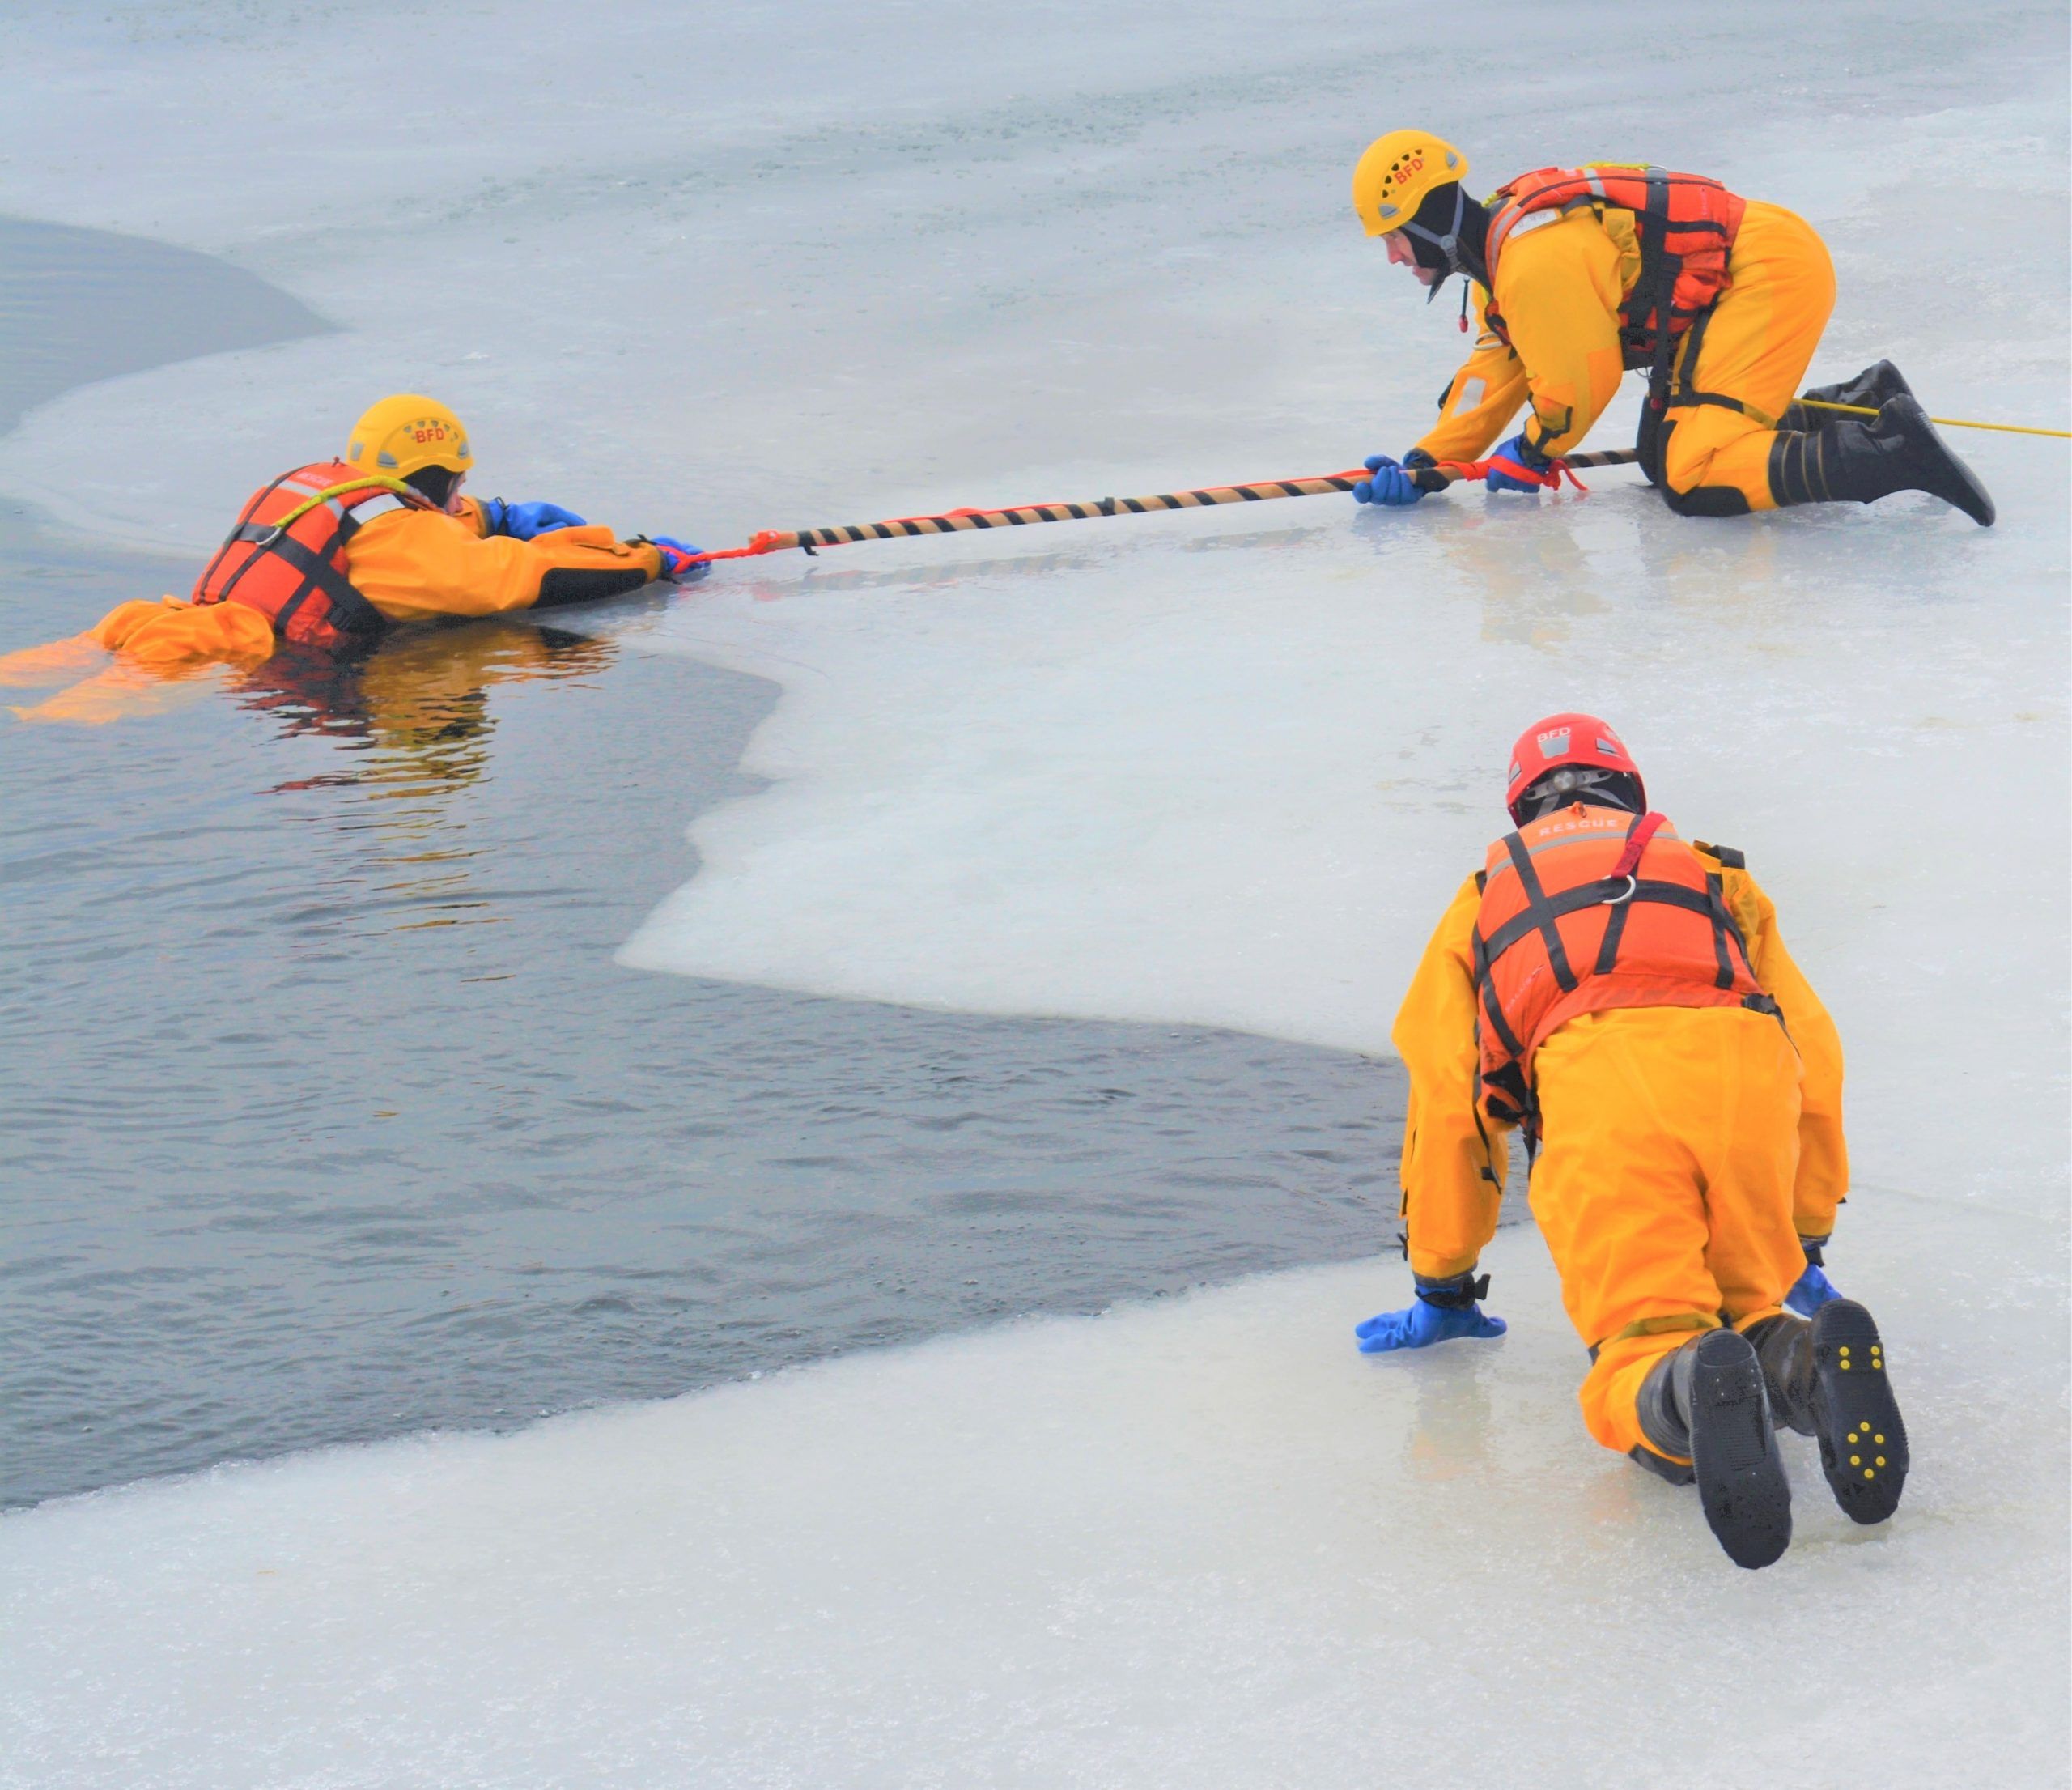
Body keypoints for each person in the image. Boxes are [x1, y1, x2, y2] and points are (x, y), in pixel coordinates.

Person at [1358, 712, 1908, 1569]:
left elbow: (1446, 1098)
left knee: (1646, 1339)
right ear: (1630, 790)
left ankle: (1684, 1386)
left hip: (1599, 1082)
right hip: (1745, 1073)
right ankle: (1802, 1361)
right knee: (1748, 1302)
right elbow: (1816, 1054)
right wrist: (1804, 1231)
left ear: (1520, 808)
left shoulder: (1481, 902)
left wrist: (1444, 1282)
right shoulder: (1709, 876)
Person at [1344, 131, 1994, 526]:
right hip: (1742, 275)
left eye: (1395, 239)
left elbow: (1579, 380)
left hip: (1765, 276)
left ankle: (1891, 450)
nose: (1395, 258)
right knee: (1662, 457)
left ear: (1428, 223)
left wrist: (1536, 449)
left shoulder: (1531, 262)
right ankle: (1861, 402)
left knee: (1695, 474)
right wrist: (1430, 463)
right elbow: (1494, 371)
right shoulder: (1506, 250)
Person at [46, 394, 707, 674]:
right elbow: (529, 578)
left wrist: (500, 516)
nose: (461, 498)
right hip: (236, 661)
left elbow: (403, 528)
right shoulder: (417, 544)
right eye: (458, 484)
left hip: (151, 623)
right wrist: (648, 559)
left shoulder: (316, 487)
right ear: (439, 478)